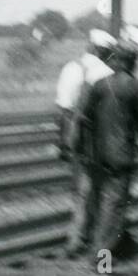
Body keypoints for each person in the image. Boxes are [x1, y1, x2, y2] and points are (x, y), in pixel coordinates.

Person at [69, 45, 138, 273]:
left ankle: (109, 247)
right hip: (121, 155)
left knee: (100, 203)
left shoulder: (99, 85)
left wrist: (81, 147)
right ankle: (103, 258)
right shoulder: (136, 87)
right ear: (132, 62)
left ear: (115, 61)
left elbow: (83, 117)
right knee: (114, 207)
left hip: (97, 155)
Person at [57, 30, 117, 256]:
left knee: (80, 191)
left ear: (91, 46)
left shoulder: (71, 68)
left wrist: (64, 142)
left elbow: (63, 110)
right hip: (102, 138)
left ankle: (75, 239)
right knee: (102, 189)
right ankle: (96, 239)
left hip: (77, 136)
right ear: (105, 51)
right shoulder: (108, 72)